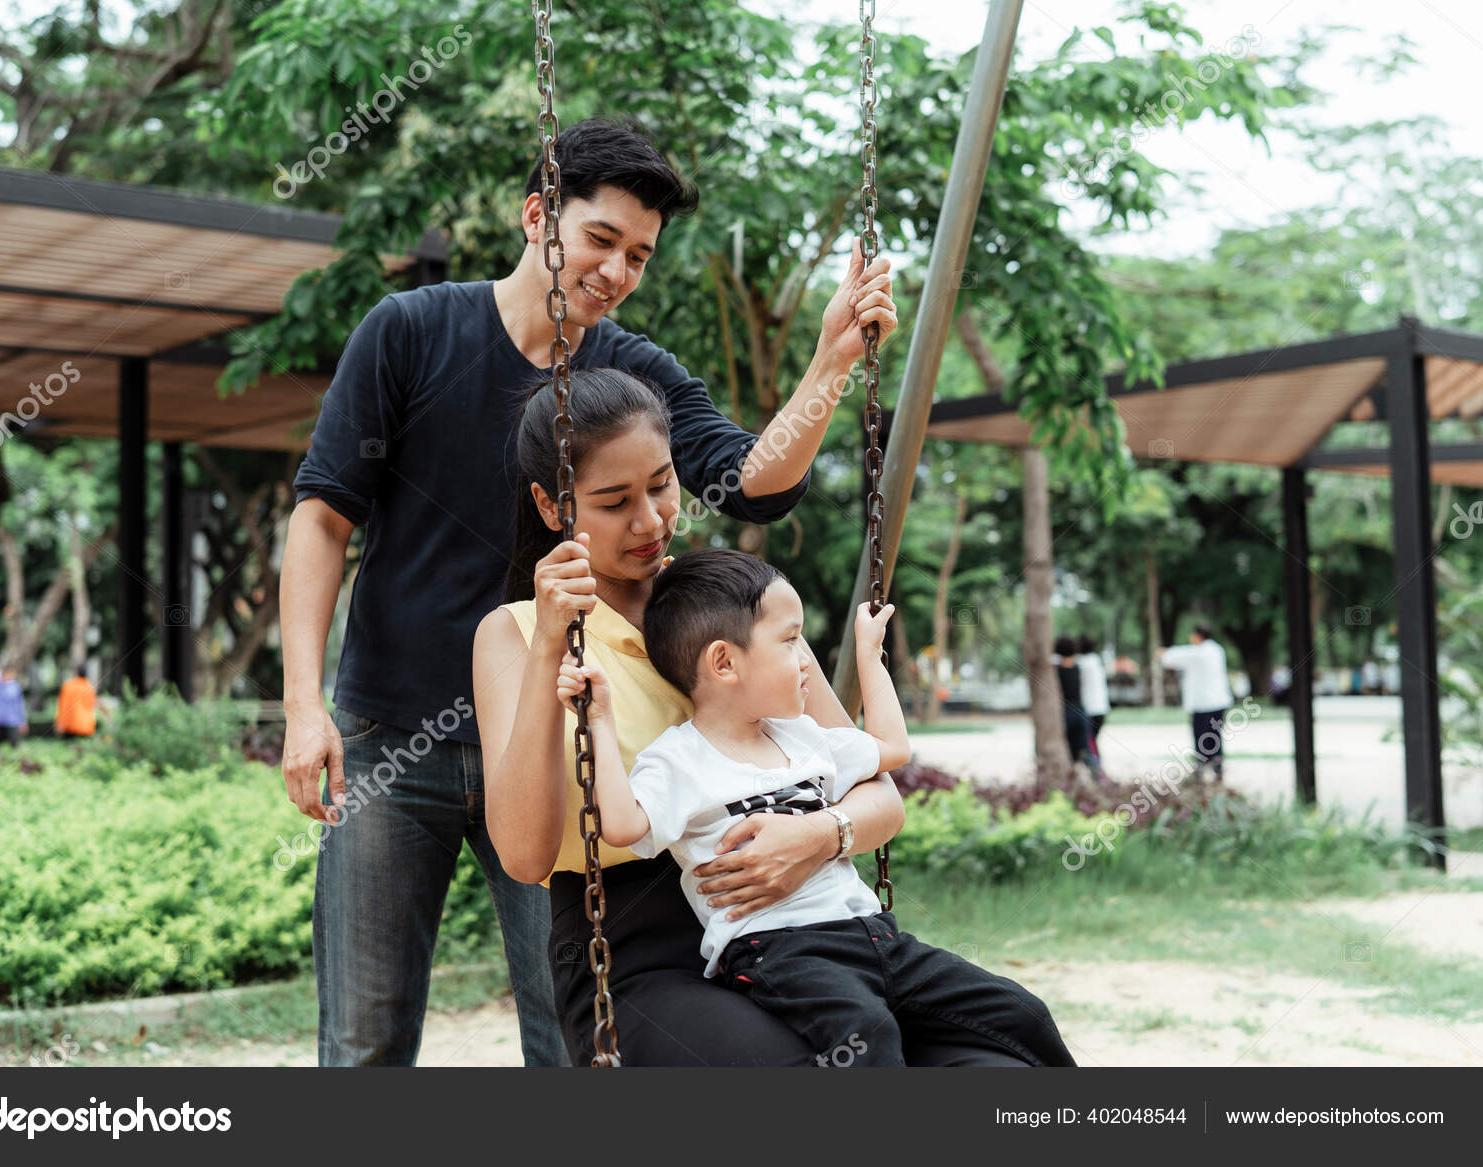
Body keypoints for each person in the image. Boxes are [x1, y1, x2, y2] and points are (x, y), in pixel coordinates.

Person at [280, 117, 897, 1066]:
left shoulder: (632, 375)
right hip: (390, 736)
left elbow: (749, 484)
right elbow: (323, 516)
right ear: (539, 216)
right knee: (362, 1036)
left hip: (552, 740)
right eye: (601, 239)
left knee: (575, 1040)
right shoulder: (409, 331)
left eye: (639, 255)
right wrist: (301, 704)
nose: (615, 270)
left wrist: (829, 365)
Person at [475, 370, 1058, 1067]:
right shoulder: (515, 635)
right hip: (635, 946)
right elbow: (523, 855)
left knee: (1003, 1053)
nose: (650, 520)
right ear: (551, 504)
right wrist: (548, 645)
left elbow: (877, 794)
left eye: (661, 485)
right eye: (612, 501)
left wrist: (817, 834)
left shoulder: (731, 604)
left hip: (806, 926)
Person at [555, 548, 1076, 1067]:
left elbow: (891, 748)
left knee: (1019, 1012)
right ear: (723, 663)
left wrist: (871, 657)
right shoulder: (677, 759)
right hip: (779, 951)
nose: (805, 658)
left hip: (873, 936)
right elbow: (622, 826)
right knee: (869, 1041)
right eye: (789, 641)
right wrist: (597, 721)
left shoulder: (801, 736)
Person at [1160, 623, 1234, 781]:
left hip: (1204, 704)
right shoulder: (1217, 650)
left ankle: (1203, 767)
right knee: (1215, 736)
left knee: (1201, 736)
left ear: (1198, 635)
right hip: (1219, 702)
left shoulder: (1200, 652)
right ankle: (1217, 766)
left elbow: (1171, 658)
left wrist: (1164, 653)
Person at [1053, 637, 1100, 778]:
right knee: (1085, 750)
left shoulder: (1057, 670)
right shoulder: (1078, 667)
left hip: (1066, 714)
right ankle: (1097, 778)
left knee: (1068, 752)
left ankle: (1071, 780)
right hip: (1081, 712)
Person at [1077, 634, 1111, 752]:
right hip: (1101, 708)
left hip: (1089, 709)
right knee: (1092, 742)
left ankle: (1096, 767)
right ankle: (1096, 765)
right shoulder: (1096, 660)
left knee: (1089, 743)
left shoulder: (1082, 663)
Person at [54, 665, 97, 739]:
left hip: (70, 726)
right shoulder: (90, 687)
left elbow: (62, 706)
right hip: (86, 727)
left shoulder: (68, 686)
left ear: (76, 673)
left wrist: (59, 723)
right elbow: (93, 706)